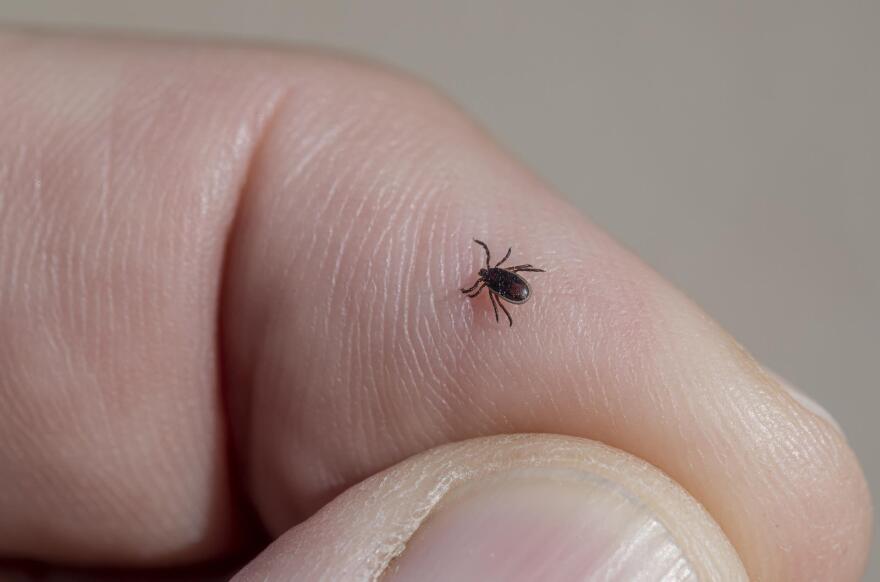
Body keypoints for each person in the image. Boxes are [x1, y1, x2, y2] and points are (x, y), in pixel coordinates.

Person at [0, 32, 871, 581]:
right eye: (492, 283)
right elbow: (507, 279)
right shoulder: (499, 284)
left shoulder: (491, 284)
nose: (492, 285)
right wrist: (500, 293)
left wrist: (494, 290)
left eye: (493, 282)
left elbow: (502, 279)